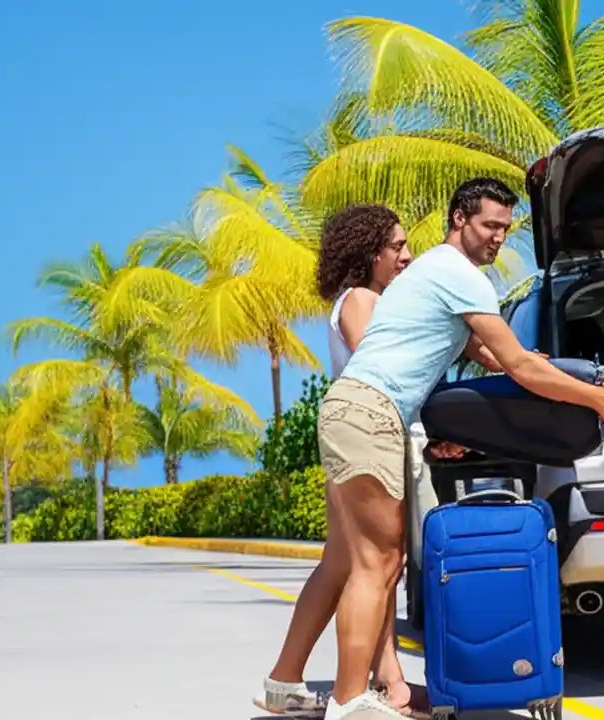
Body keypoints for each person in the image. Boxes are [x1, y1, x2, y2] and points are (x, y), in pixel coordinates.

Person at [317, 177, 604, 720]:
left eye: (506, 231)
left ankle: (355, 697)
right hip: (369, 414)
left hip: (363, 412)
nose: (498, 239)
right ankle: (348, 703)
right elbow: (519, 367)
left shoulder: (433, 276)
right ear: (458, 220)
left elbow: (490, 356)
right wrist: (594, 400)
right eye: (489, 226)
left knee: (380, 563)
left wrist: (583, 378)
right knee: (375, 564)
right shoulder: (457, 274)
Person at [256, 203, 435, 718]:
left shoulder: (353, 299)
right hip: (367, 436)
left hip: (345, 437)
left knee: (341, 564)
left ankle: (285, 681)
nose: (407, 256)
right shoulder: (361, 299)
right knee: (379, 563)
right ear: (370, 253)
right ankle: (365, 693)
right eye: (397, 247)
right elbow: (378, 366)